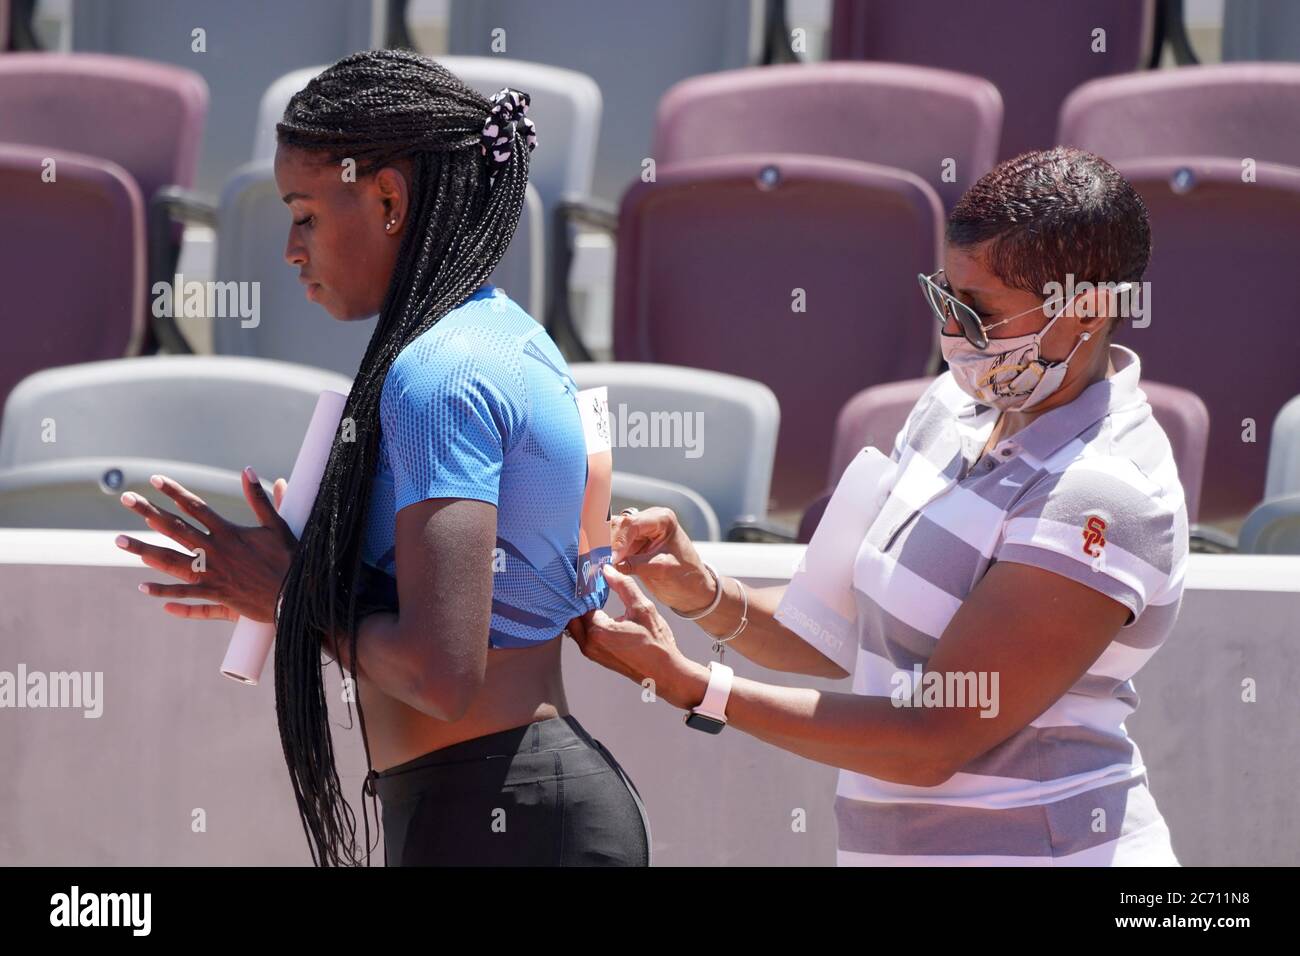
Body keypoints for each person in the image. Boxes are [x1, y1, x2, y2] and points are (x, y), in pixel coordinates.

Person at [571, 147, 1186, 865]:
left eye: (978, 314)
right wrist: (701, 590)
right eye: (944, 301)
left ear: (1086, 310)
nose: (951, 336)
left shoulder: (1102, 495)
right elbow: (831, 632)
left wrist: (693, 686)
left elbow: (929, 740)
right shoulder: (947, 407)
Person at [114, 49, 650, 867]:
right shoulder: (506, 338)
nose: (291, 250)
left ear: (389, 197)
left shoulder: (437, 374)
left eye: (304, 213)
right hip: (512, 806)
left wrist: (294, 591)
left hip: (498, 817)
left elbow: (443, 676)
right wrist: (320, 562)